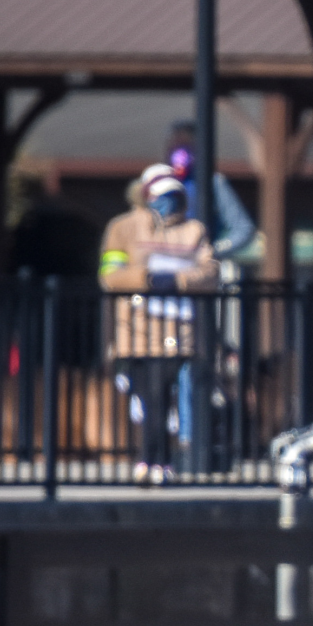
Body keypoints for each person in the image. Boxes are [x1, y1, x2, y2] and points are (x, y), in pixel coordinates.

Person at [98, 167, 218, 484]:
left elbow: (211, 272)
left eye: (174, 194)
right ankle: (155, 460)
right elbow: (110, 276)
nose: (168, 202)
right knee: (150, 396)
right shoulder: (122, 228)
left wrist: (178, 280)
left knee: (161, 394)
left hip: (177, 331)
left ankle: (156, 461)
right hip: (136, 330)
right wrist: (146, 279)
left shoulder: (194, 230)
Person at [166, 121, 256, 262]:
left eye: (186, 152)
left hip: (200, 264)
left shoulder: (213, 182)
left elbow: (243, 229)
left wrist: (214, 249)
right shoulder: (160, 182)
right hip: (165, 263)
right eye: (176, 152)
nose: (180, 160)